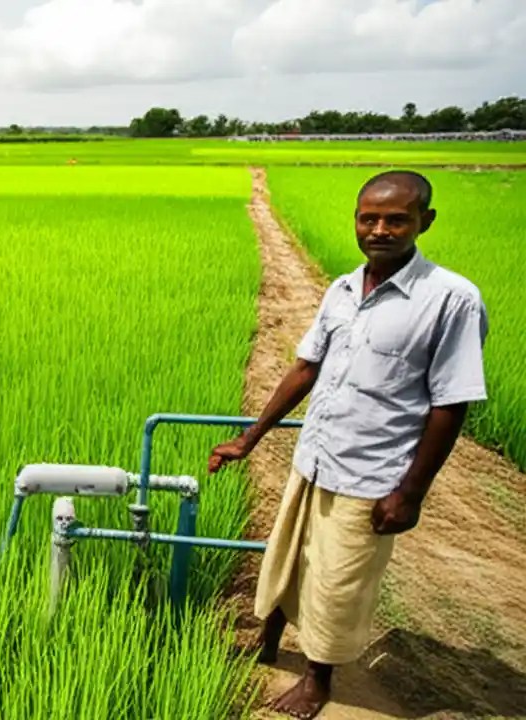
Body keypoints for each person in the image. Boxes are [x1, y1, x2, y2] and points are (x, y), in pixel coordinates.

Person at [208, 170, 489, 719]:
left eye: (396, 219)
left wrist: (410, 493)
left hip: (371, 471)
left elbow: (450, 404)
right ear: (356, 221)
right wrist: (250, 437)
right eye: (369, 218)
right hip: (314, 456)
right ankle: (267, 642)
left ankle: (317, 680)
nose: (380, 229)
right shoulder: (341, 289)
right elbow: (305, 368)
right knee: (288, 557)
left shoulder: (451, 300)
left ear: (424, 222)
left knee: (340, 580)